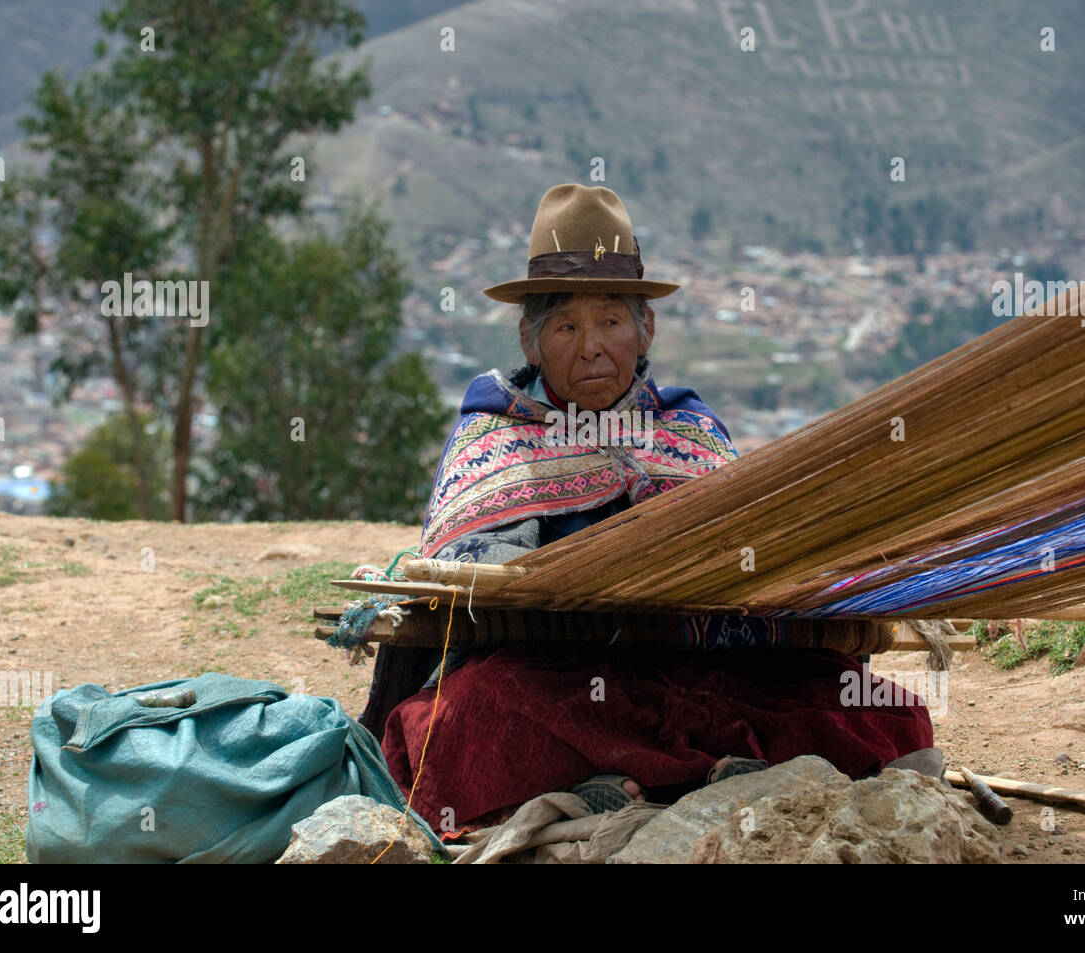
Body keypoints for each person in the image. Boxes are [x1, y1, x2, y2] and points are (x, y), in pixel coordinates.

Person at [366, 184, 933, 835]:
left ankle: (629, 778)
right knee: (466, 719)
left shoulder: (688, 430)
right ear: (529, 342)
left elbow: (750, 560)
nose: (592, 347)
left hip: (693, 663)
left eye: (610, 320)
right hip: (553, 674)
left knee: (873, 707)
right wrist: (558, 586)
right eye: (565, 325)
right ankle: (691, 773)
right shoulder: (492, 441)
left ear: (646, 329)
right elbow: (466, 571)